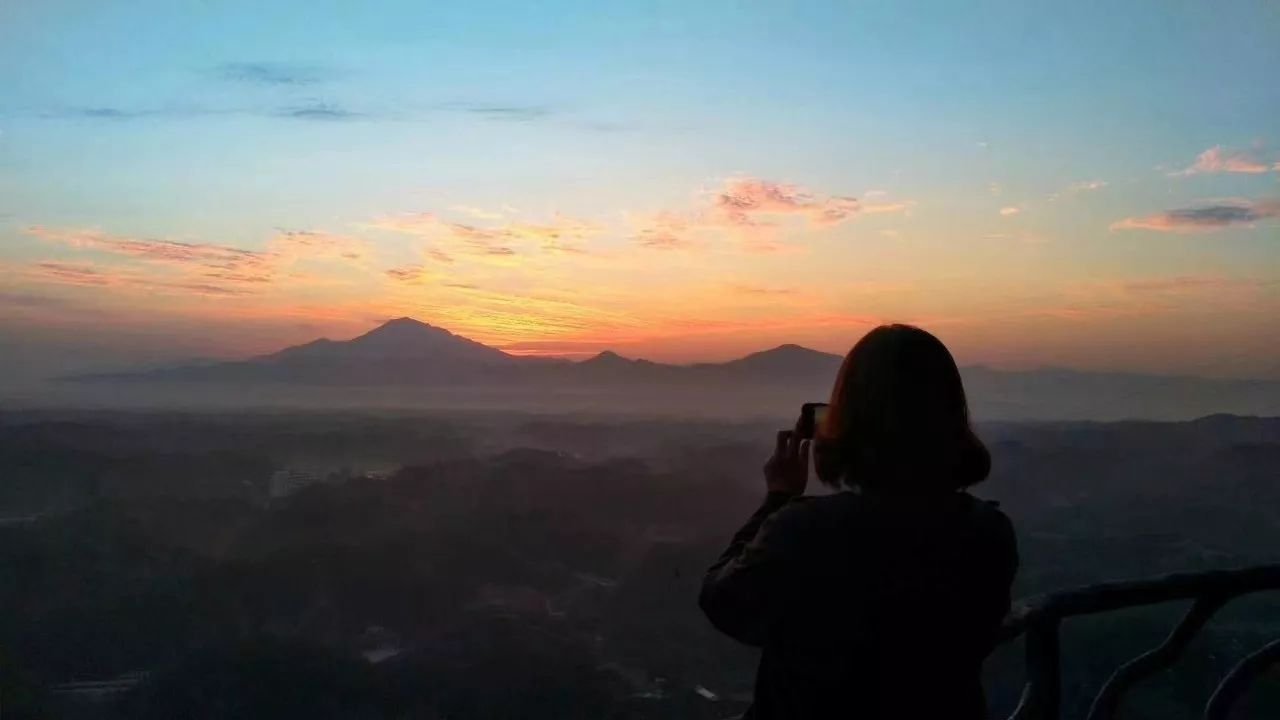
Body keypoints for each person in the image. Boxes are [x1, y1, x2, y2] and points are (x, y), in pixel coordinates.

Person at [699, 324, 1018, 719]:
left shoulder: (808, 530)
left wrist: (778, 498)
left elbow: (722, 602)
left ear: (850, 421)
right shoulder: (989, 531)